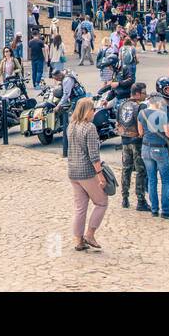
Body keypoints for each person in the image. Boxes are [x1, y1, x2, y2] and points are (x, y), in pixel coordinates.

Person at [66, 97, 109, 251]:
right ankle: (90, 234)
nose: (94, 112)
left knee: (80, 207)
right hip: (87, 172)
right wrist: (100, 175)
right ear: (88, 111)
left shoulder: (71, 126)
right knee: (102, 202)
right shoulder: (89, 128)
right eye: (93, 109)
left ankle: (78, 240)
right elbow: (94, 155)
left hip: (73, 171)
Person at [140, 93, 169, 220]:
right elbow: (168, 134)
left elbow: (140, 132)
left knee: (151, 179)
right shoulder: (162, 114)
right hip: (159, 149)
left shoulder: (142, 113)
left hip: (145, 148)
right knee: (166, 180)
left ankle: (154, 209)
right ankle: (166, 210)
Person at [117, 82, 149, 211]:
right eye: (144, 93)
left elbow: (118, 123)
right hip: (137, 142)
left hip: (125, 141)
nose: (145, 95)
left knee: (126, 169)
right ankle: (140, 200)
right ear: (137, 94)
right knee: (141, 171)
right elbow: (142, 126)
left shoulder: (122, 104)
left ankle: (125, 198)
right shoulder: (140, 106)